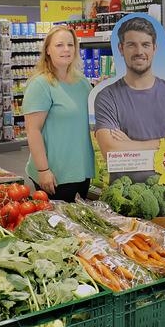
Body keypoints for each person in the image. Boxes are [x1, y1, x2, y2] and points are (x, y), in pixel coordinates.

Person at [94, 17, 165, 173]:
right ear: (120, 48)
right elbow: (110, 151)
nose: (139, 52)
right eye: (131, 45)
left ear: (154, 48)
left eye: (145, 45)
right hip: (126, 193)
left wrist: (130, 144)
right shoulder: (107, 96)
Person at [23, 26, 95, 200]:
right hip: (55, 173)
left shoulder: (82, 82)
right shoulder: (40, 85)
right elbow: (33, 131)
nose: (66, 49)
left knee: (79, 224)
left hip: (81, 169)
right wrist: (43, 170)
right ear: (48, 50)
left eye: (70, 45)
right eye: (59, 45)